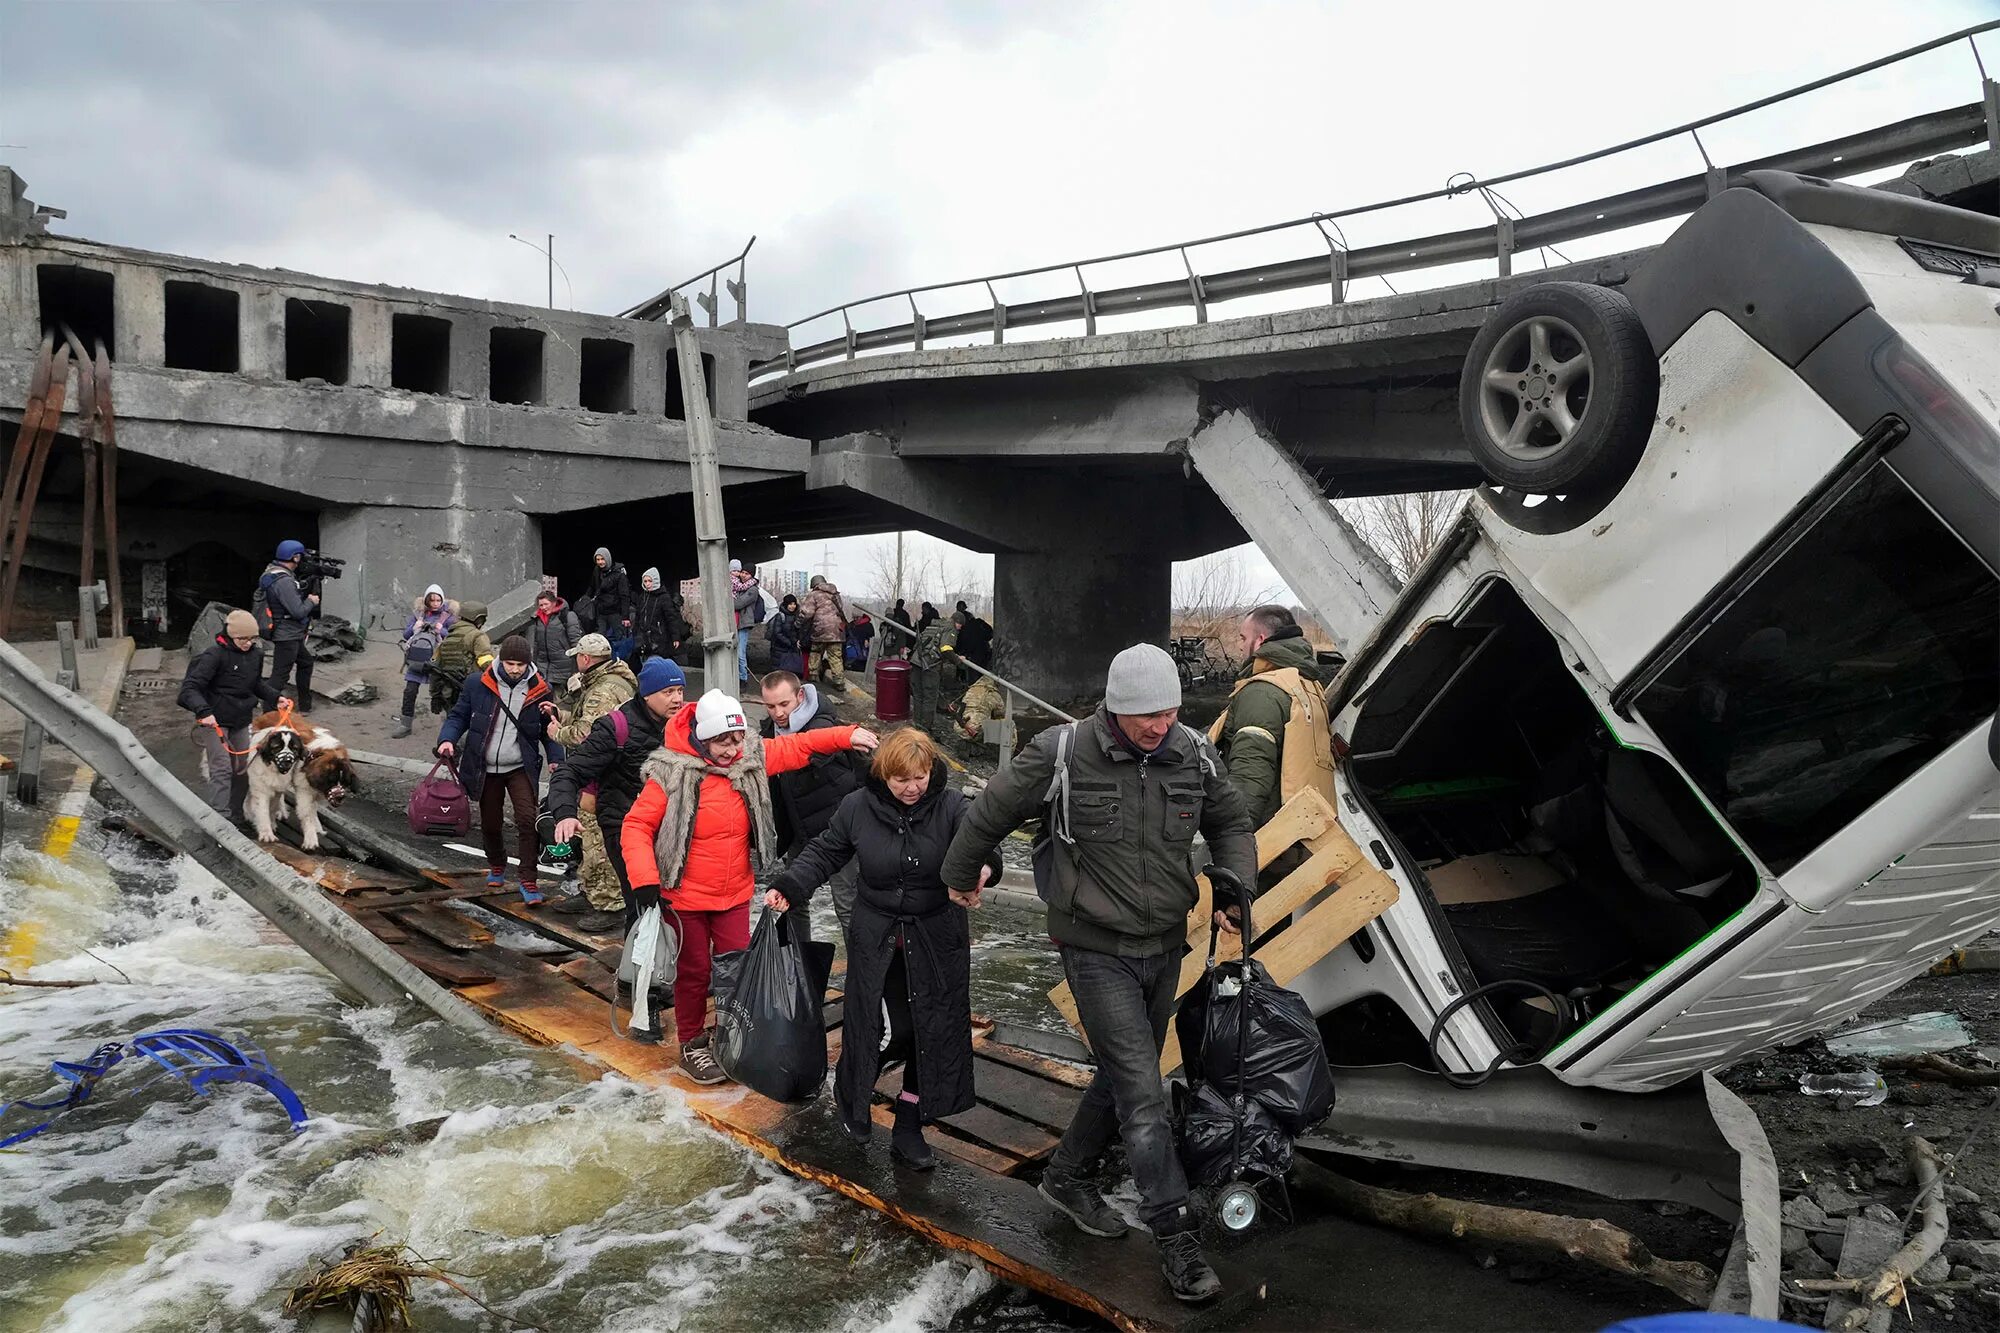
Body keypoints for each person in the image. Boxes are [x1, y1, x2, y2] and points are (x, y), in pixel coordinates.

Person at [940, 643, 1256, 1305]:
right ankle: (1176, 1236)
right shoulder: (1061, 752)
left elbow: (1231, 819)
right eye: (1145, 715)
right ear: (1113, 707)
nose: (1159, 725)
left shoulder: (1192, 750)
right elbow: (990, 810)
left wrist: (1234, 887)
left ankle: (1068, 1176)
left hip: (1165, 944)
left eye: (1169, 711)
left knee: (1122, 1070)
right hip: (1093, 947)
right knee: (1145, 1094)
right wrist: (961, 875)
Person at [765, 728, 998, 1169]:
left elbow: (982, 844)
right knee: (888, 1029)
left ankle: (910, 1123)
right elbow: (825, 851)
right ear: (883, 776)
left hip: (937, 937)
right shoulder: (856, 807)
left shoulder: (951, 806)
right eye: (902, 780)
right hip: (878, 937)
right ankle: (852, 1091)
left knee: (931, 1034)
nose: (913, 788)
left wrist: (983, 867)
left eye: (921, 777)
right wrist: (791, 886)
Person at [619, 689, 878, 1070]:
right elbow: (637, 826)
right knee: (694, 973)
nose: (733, 750)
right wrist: (643, 879)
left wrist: (846, 734)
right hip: (684, 896)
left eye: (738, 739)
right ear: (704, 739)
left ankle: (729, 1034)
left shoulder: (750, 759)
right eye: (724, 742)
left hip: (735, 892)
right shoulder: (670, 773)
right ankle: (691, 1041)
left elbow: (799, 747)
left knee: (736, 969)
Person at [547, 655, 686, 926]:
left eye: (680, 691)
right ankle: (637, 964)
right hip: (623, 825)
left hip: (669, 827)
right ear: (646, 695)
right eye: (668, 692)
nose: (677, 699)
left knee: (675, 904)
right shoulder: (616, 727)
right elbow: (570, 771)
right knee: (642, 906)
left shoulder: (684, 725)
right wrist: (564, 813)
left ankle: (671, 964)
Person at [1211, 605, 1337, 888]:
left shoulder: (1263, 693)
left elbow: (1250, 777)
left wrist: (1232, 849)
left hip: (1265, 839)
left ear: (1261, 641)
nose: (1240, 645)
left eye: (1244, 638)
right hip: (1297, 835)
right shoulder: (1305, 684)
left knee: (1243, 926)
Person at [436, 635, 560, 905]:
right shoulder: (477, 683)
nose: (515, 669)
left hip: (520, 766)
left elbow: (548, 731)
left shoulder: (540, 689)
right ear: (500, 660)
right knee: (491, 823)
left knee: (528, 820)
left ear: (528, 664)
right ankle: (496, 864)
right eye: (510, 663)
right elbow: (458, 716)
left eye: (520, 664)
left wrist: (555, 757)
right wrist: (447, 739)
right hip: (485, 765)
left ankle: (528, 879)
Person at [759, 670, 865, 941]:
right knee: (791, 899)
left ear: (800, 696)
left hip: (839, 832)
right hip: (800, 832)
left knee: (847, 906)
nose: (778, 713)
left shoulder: (823, 724)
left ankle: (864, 971)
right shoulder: (768, 732)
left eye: (784, 704)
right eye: (771, 706)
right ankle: (800, 965)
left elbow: (808, 749)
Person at [545, 632, 638, 933]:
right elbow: (591, 719)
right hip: (605, 773)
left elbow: (587, 734)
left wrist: (557, 733)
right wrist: (565, 713)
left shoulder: (602, 691)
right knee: (589, 836)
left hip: (602, 775)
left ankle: (609, 904)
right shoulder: (609, 682)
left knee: (597, 837)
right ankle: (592, 892)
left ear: (585, 659)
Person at [178, 608, 281, 819]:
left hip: (241, 719)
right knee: (222, 769)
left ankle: (236, 815)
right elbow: (190, 688)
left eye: (252, 638)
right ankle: (220, 818)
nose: (248, 642)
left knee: (242, 771)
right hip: (214, 721)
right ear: (230, 635)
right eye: (243, 638)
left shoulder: (255, 655)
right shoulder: (214, 655)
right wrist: (204, 712)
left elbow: (255, 684)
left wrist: (275, 697)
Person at [256, 540, 319, 712]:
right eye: (301, 557)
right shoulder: (284, 581)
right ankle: (268, 710)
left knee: (306, 662)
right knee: (280, 675)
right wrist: (311, 601)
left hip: (289, 632)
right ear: (295, 557)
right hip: (286, 634)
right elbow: (298, 611)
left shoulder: (272, 572)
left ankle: (305, 705)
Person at [394, 585, 456, 738]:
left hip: (438, 662)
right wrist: (415, 627)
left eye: (438, 600)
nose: (435, 603)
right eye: (432, 600)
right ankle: (405, 724)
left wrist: (442, 630)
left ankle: (452, 729)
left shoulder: (449, 616)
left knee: (445, 694)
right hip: (417, 661)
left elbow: (454, 637)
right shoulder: (418, 615)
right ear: (426, 600)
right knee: (409, 692)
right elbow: (406, 634)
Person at [431, 600, 493, 715]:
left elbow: (435, 669)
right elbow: (486, 662)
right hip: (472, 692)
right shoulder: (477, 636)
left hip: (448, 693)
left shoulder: (447, 639)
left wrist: (435, 696)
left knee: (453, 724)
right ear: (479, 619)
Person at [800, 574, 849, 694]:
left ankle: (813, 676)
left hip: (820, 629)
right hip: (836, 631)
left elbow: (807, 613)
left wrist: (798, 623)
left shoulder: (814, 594)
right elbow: (840, 608)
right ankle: (839, 682)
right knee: (835, 656)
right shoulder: (834, 593)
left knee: (816, 652)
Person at [528, 588, 583, 693]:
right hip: (543, 668)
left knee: (562, 701)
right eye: (541, 605)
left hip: (564, 667)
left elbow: (576, 642)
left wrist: (577, 669)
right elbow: (536, 644)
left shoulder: (567, 616)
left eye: (546, 604)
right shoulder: (537, 619)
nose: (543, 608)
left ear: (553, 603)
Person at [910, 614, 957, 734]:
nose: (960, 628)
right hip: (929, 666)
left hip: (916, 663)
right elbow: (946, 648)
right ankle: (926, 728)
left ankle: (917, 724)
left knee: (918, 696)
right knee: (929, 697)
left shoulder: (931, 627)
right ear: (957, 622)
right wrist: (958, 660)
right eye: (960, 625)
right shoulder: (950, 628)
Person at [587, 548, 635, 660]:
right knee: (600, 639)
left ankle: (620, 661)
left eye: (602, 559)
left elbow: (624, 595)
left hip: (615, 612)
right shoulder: (597, 571)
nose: (600, 562)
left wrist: (625, 616)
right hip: (601, 610)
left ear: (607, 559)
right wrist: (586, 600)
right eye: (597, 559)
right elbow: (592, 587)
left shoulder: (619, 574)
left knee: (619, 639)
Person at [636, 568, 687, 662]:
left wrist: (675, 637)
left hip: (659, 637)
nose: (647, 584)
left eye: (650, 581)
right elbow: (638, 617)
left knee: (658, 662)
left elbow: (671, 619)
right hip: (645, 637)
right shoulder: (642, 597)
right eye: (645, 581)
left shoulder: (664, 597)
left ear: (655, 581)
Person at [729, 559, 762, 686]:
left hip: (744, 623)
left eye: (747, 574)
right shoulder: (740, 586)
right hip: (737, 622)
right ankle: (737, 677)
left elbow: (738, 604)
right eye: (742, 572)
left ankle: (743, 680)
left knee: (740, 654)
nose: (743, 575)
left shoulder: (753, 590)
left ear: (752, 576)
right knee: (735, 652)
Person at [951, 673, 1007, 741]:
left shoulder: (970, 691)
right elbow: (1000, 717)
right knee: (1009, 727)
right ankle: (1007, 750)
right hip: (976, 732)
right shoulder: (994, 695)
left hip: (958, 729)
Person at [767, 593, 807, 676]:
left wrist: (798, 641)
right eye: (790, 604)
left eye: (794, 604)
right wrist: (790, 643)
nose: (792, 606)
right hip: (779, 648)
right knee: (778, 672)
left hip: (792, 648)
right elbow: (777, 633)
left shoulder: (798, 616)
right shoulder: (780, 616)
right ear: (786, 605)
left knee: (791, 672)